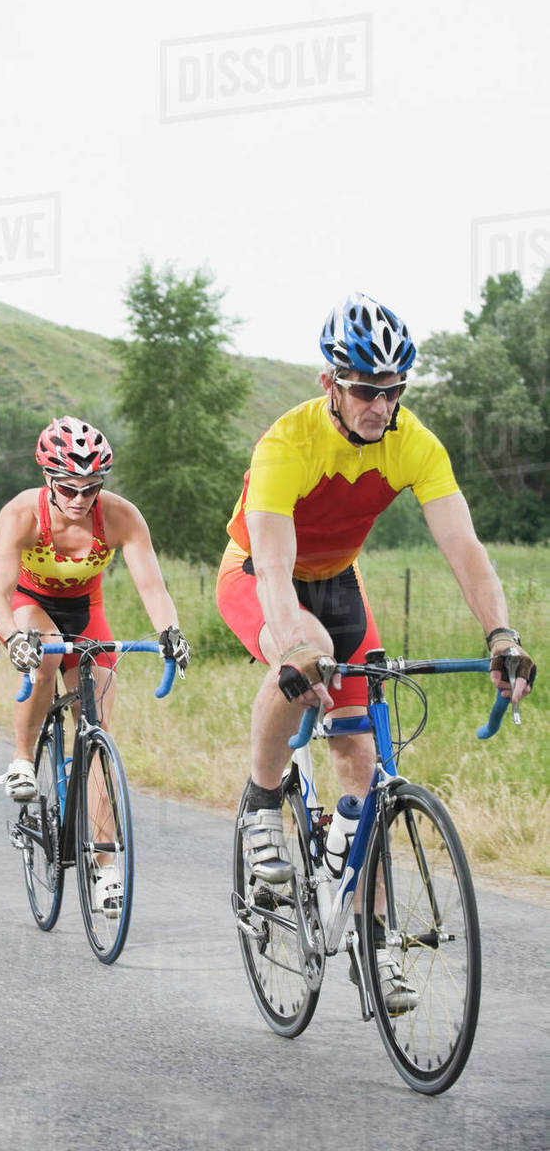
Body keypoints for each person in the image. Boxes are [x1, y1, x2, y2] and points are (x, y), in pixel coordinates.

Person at [217, 291, 536, 1012]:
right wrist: (294, 647)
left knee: (365, 766)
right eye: (365, 389)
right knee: (308, 652)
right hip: (257, 575)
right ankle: (264, 802)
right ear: (330, 382)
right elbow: (269, 565)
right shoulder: (287, 444)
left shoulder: (414, 442)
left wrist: (501, 635)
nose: (379, 405)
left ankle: (375, 937)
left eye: (393, 391)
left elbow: (464, 547)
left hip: (339, 582)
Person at [0, 415, 190, 908]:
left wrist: (171, 632)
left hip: (88, 611)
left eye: (90, 489)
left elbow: (151, 587)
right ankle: (21, 758)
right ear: (47, 480)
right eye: (68, 488)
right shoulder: (21, 515)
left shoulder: (120, 517)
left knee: (96, 739)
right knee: (45, 650)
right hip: (31, 606)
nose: (80, 500)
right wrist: (13, 638)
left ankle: (106, 868)